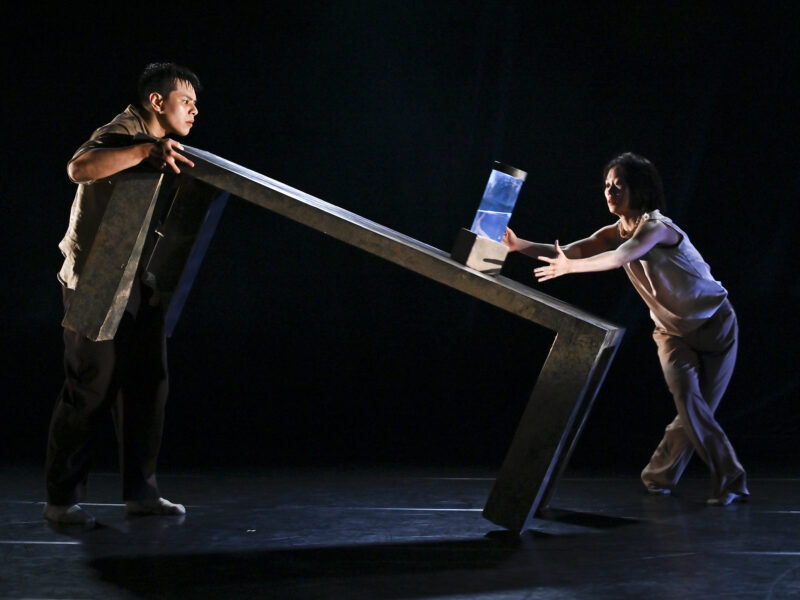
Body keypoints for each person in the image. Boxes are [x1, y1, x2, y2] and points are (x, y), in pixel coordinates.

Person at [502, 152, 748, 506]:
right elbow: (569, 251)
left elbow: (622, 256)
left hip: (715, 325)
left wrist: (570, 269)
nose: (610, 191)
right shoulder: (614, 232)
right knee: (688, 402)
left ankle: (662, 475)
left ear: (639, 189)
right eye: (607, 185)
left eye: (619, 185)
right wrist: (518, 245)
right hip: (671, 333)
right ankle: (729, 480)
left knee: (695, 412)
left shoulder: (657, 228)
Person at [44, 62, 201, 526]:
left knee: (148, 383)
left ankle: (141, 494)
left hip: (138, 281)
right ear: (157, 101)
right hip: (94, 281)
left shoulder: (160, 142)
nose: (194, 111)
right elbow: (79, 167)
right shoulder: (122, 131)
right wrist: (144, 150)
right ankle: (61, 501)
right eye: (186, 101)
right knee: (90, 387)